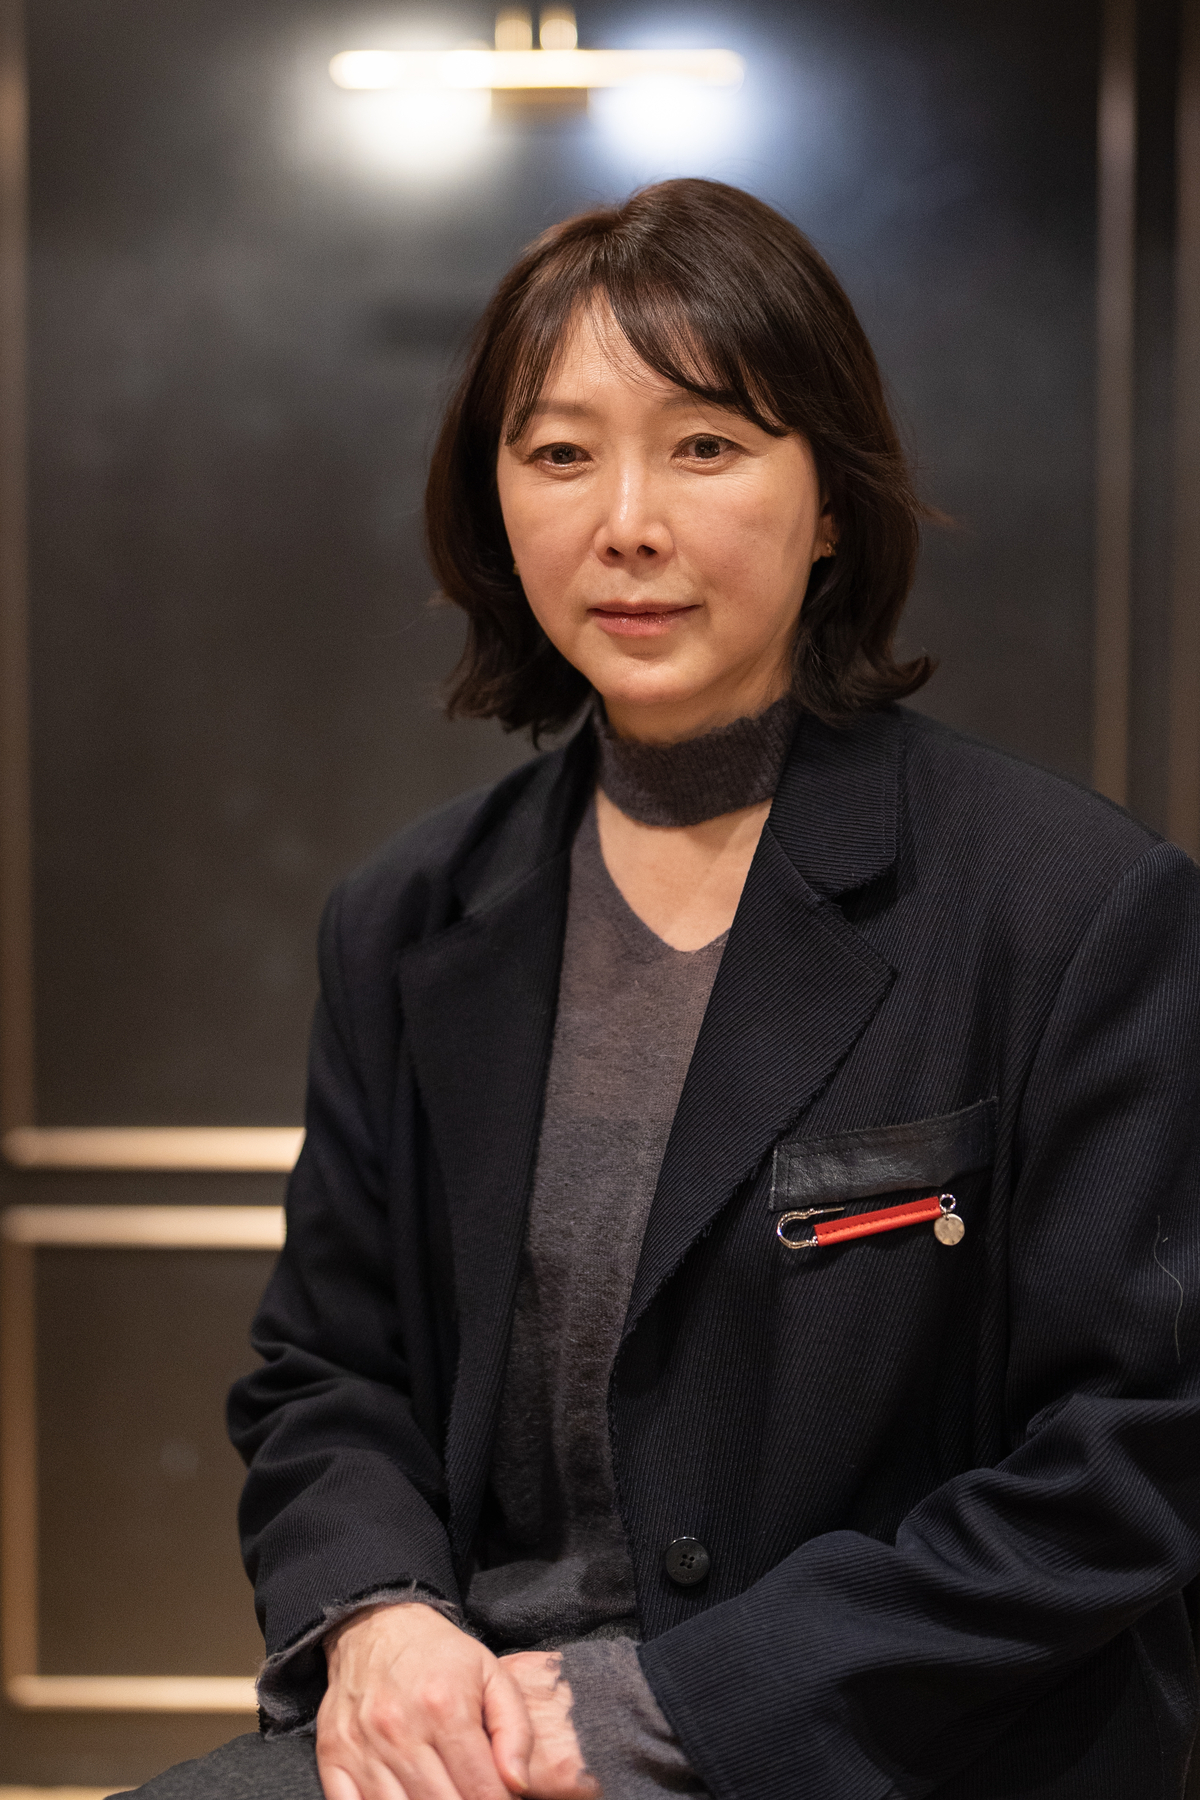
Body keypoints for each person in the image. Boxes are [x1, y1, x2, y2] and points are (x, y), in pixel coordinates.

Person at [124, 178, 1200, 1800]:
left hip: (893, 1750)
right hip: (490, 1732)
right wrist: (380, 1615)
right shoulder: (408, 921)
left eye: (705, 444)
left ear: (829, 502)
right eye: (561, 454)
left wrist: (663, 1710)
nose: (625, 521)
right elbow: (328, 1373)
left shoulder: (1069, 907)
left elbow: (1133, 1456)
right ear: (496, 503)